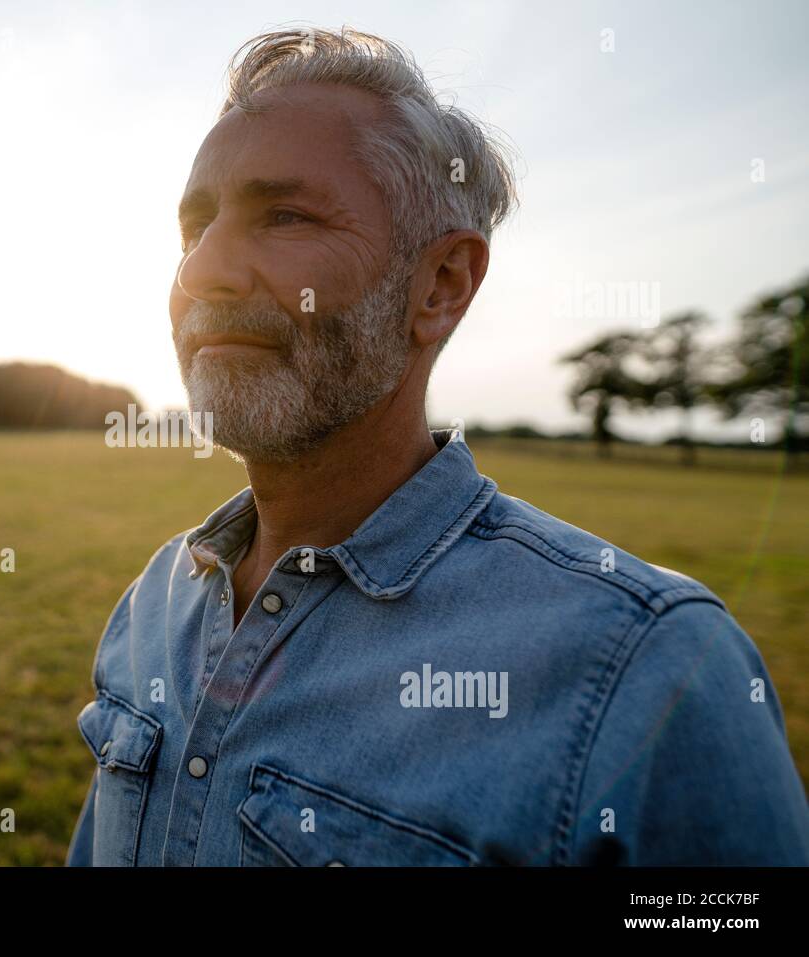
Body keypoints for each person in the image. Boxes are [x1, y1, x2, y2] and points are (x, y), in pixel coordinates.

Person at [65, 26, 809, 866]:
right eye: (194, 227)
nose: (203, 272)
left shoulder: (647, 675)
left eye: (286, 215)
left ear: (440, 286)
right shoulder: (156, 602)